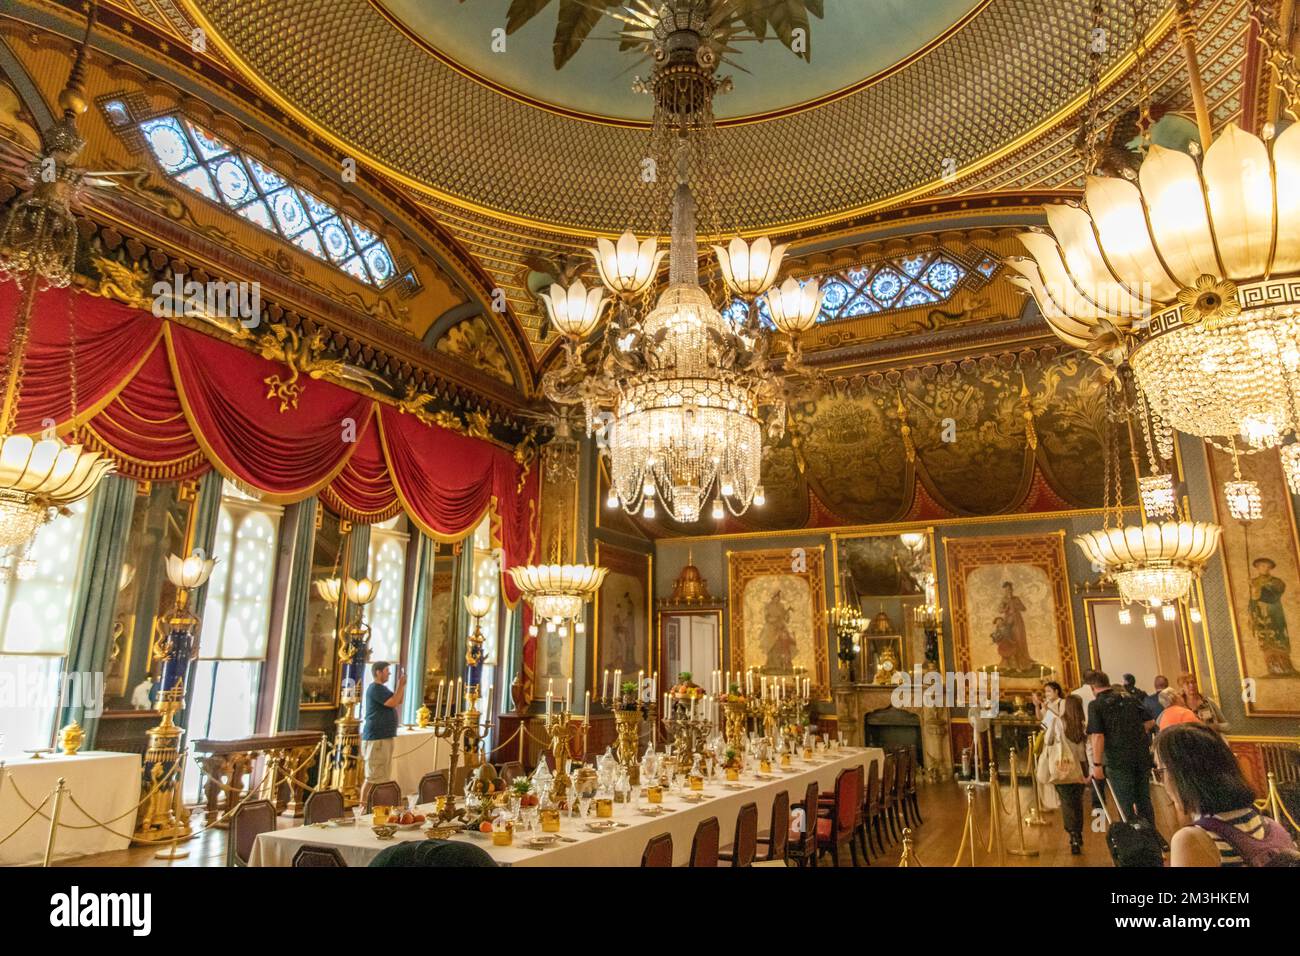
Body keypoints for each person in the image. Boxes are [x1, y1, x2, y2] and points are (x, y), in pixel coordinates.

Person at [1155, 723, 1299, 867]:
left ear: (1182, 775)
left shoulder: (1191, 840)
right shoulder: (1274, 827)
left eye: (1161, 772)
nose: (1162, 782)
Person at [1086, 670, 1159, 832]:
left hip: (1118, 760)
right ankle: (1152, 837)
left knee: (1124, 802)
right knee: (1144, 800)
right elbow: (1150, 722)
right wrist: (1131, 733)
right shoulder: (1129, 699)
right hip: (1140, 756)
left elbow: (1097, 736)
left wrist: (1097, 765)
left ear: (1093, 687)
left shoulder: (1096, 705)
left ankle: (1134, 841)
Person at [360, 661, 406, 807]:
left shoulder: (382, 689)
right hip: (376, 739)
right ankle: (363, 807)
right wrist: (400, 685)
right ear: (378, 672)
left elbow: (399, 700)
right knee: (373, 776)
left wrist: (402, 687)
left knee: (382, 776)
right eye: (387, 671)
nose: (389, 673)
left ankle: (376, 807)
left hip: (384, 737)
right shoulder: (375, 689)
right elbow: (392, 702)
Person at [1048, 694, 1089, 855]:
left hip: (1062, 765)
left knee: (1066, 802)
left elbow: (1048, 740)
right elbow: (1084, 751)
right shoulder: (1081, 725)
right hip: (1079, 767)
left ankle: (1072, 834)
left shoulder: (1058, 722)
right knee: (1077, 801)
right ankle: (1077, 832)